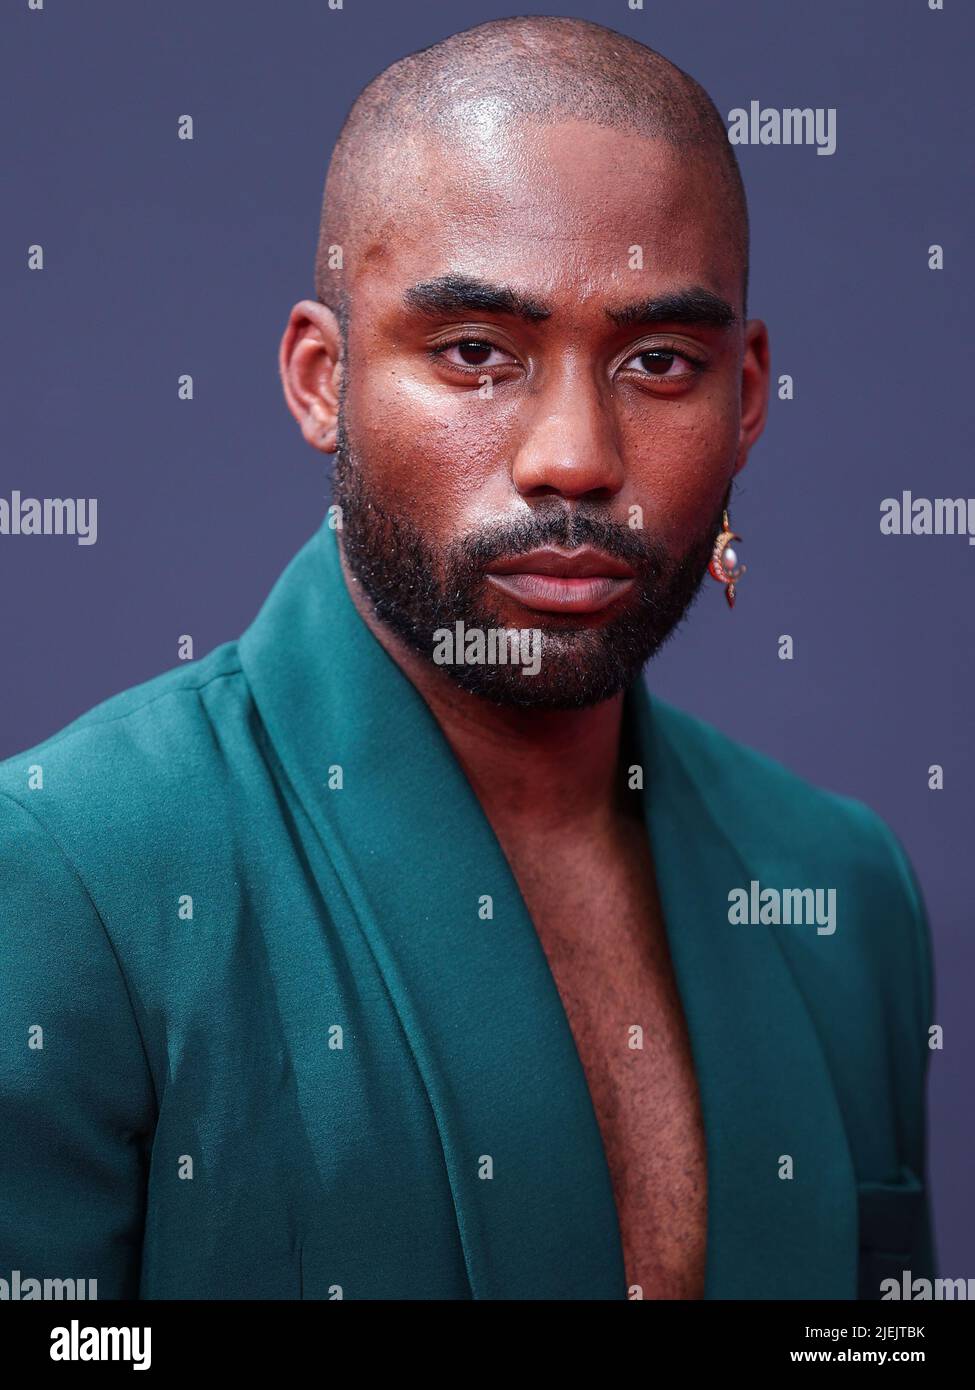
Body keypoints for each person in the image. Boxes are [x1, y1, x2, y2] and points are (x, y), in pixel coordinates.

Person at [0, 16, 935, 1300]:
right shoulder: (68, 872)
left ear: (749, 397)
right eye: (476, 354)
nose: (573, 455)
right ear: (322, 379)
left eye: (660, 361)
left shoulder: (842, 890)